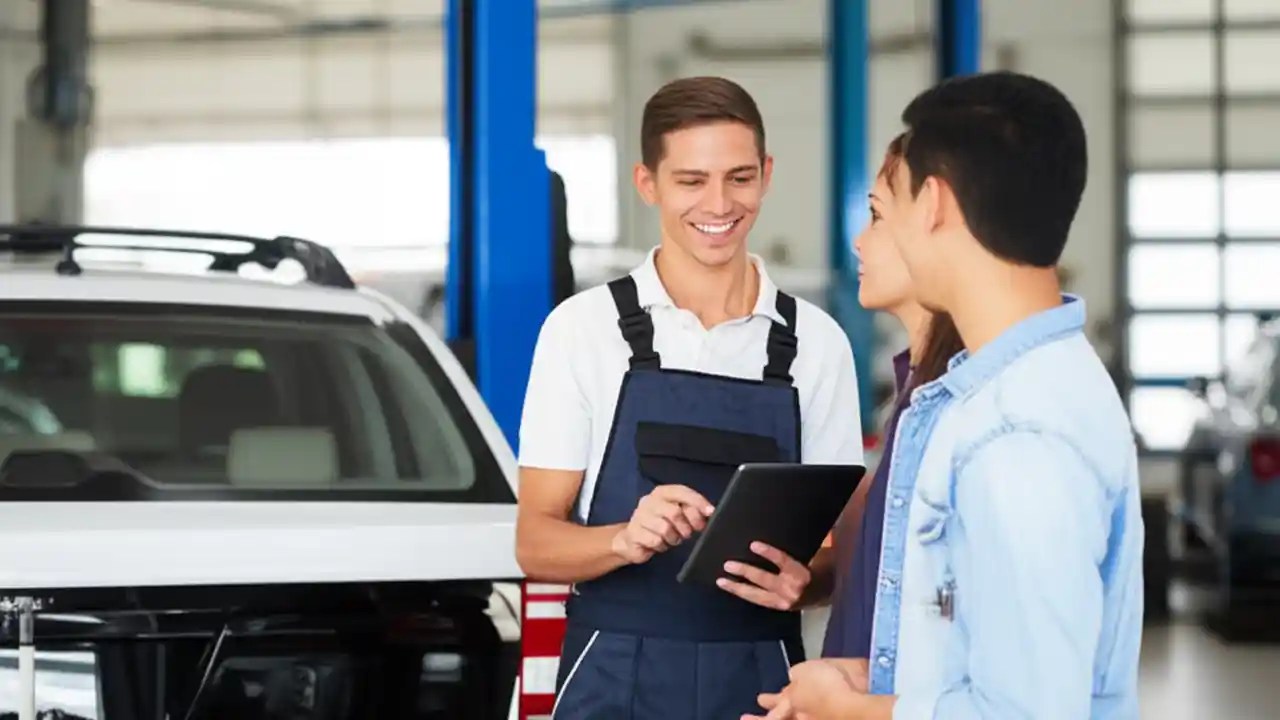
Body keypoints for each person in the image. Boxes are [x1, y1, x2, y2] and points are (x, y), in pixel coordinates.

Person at [749, 71, 1145, 720]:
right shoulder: (1007, 394)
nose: (870, 235)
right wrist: (866, 677)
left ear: (931, 203)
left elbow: (1023, 714)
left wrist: (850, 709)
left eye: (887, 207)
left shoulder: (1018, 433)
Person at [515, 75, 865, 720]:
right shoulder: (582, 330)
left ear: (766, 173)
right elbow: (535, 543)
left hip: (765, 679)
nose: (719, 203)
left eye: (739, 177)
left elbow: (841, 554)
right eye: (691, 180)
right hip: (611, 669)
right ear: (647, 183)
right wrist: (621, 540)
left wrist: (807, 583)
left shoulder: (816, 344)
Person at [820, 136, 963, 663]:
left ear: (934, 219)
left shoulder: (963, 411)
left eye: (878, 217)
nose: (859, 242)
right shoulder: (912, 395)